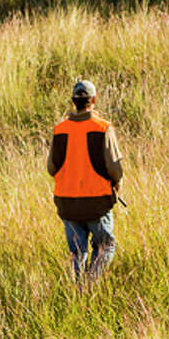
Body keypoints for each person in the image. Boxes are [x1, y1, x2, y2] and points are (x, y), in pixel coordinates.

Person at [48, 79, 123, 283]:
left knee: (77, 253)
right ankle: (90, 285)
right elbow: (115, 168)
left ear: (73, 101)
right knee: (105, 247)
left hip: (67, 203)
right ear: (94, 100)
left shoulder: (60, 130)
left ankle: (77, 291)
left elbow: (51, 168)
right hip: (97, 202)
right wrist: (116, 185)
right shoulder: (103, 128)